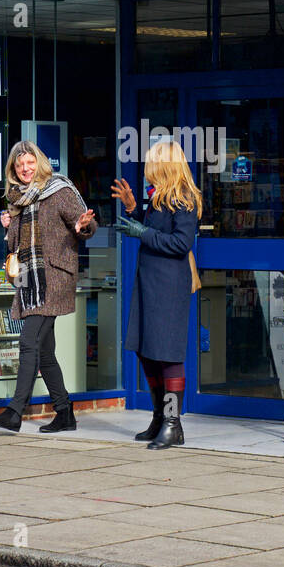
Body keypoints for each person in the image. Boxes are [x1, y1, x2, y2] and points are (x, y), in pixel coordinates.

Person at [0, 141, 96, 433]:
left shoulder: (59, 190)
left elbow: (86, 226)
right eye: (19, 165)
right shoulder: (17, 198)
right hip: (28, 279)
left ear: (40, 163)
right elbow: (15, 247)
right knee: (44, 352)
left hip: (54, 278)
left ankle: (14, 411)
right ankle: (65, 414)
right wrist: (8, 226)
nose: (25, 169)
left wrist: (82, 226)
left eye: (30, 163)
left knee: (28, 341)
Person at [111, 139, 201, 451]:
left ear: (164, 165)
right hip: (149, 282)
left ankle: (173, 425)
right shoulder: (158, 198)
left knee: (168, 353)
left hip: (168, 286)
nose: (147, 169)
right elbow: (155, 231)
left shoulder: (184, 200)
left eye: (151, 163)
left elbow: (180, 243)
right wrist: (135, 210)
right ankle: (159, 417)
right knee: (146, 349)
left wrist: (142, 232)